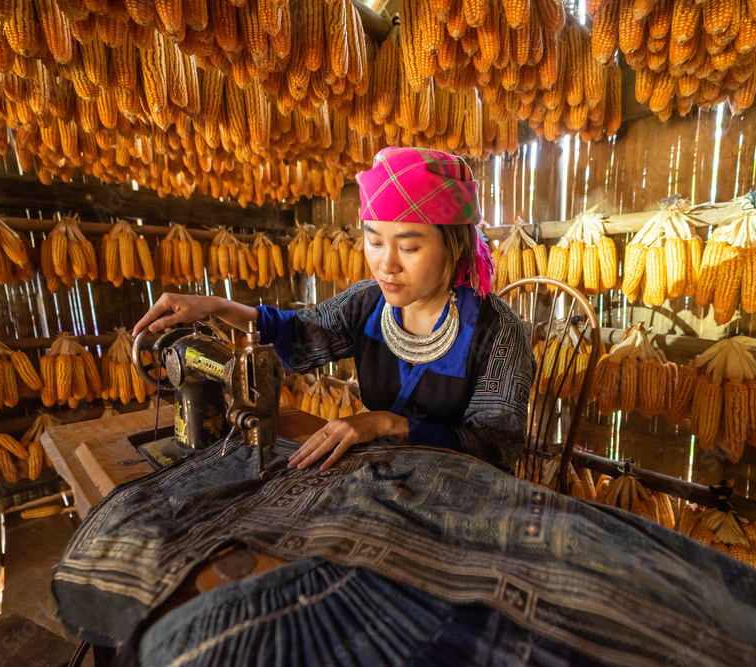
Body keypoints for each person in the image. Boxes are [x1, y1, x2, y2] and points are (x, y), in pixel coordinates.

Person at [132, 147, 535, 473]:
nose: (386, 264)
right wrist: (216, 305)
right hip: (384, 474)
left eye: (409, 247)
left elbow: (493, 450)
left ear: (455, 245)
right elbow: (299, 333)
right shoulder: (367, 304)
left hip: (463, 493)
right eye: (375, 242)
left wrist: (387, 424)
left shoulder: (497, 333)